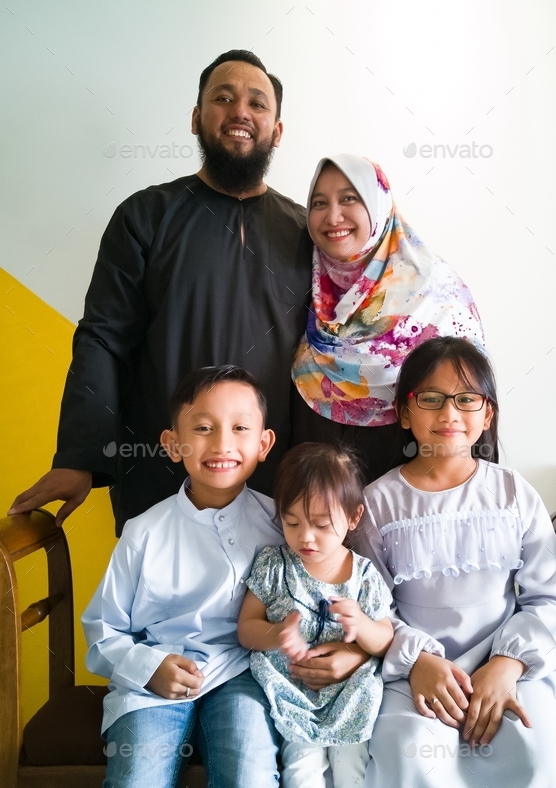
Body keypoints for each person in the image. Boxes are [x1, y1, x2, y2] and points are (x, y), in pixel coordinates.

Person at [9, 49, 312, 536]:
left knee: (269, 612)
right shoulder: (145, 217)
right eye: (223, 97)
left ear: (277, 131)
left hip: (278, 487)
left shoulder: (309, 234)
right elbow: (104, 338)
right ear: (196, 118)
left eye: (258, 104)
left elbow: (332, 360)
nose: (240, 111)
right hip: (158, 477)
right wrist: (80, 456)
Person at [357, 336, 556, 787]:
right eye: (431, 399)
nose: (449, 414)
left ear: (487, 414)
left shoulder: (512, 492)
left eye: (466, 399)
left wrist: (507, 664)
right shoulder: (378, 502)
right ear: (405, 413)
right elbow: (372, 606)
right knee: (412, 760)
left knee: (538, 761)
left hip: (510, 667)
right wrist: (418, 661)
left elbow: (548, 598)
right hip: (416, 673)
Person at [82, 365, 284, 787]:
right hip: (152, 677)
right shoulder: (144, 531)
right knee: (135, 779)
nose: (222, 443)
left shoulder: (282, 525)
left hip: (242, 674)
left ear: (264, 443)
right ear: (173, 445)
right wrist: (148, 666)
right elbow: (103, 632)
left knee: (249, 775)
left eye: (240, 427)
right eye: (204, 428)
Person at [291, 154, 484, 483]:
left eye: (349, 198)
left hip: (415, 496)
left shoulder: (436, 293)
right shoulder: (302, 286)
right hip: (323, 508)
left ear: (378, 206)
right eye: (319, 203)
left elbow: (467, 408)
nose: (332, 216)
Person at [237, 443, 393, 788]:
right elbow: (246, 629)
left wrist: (363, 626)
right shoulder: (274, 565)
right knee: (301, 770)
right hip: (293, 693)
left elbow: (385, 638)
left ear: (353, 517)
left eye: (322, 525)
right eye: (291, 522)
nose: (305, 537)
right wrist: (277, 634)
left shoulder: (364, 575)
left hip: (351, 696)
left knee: (354, 768)